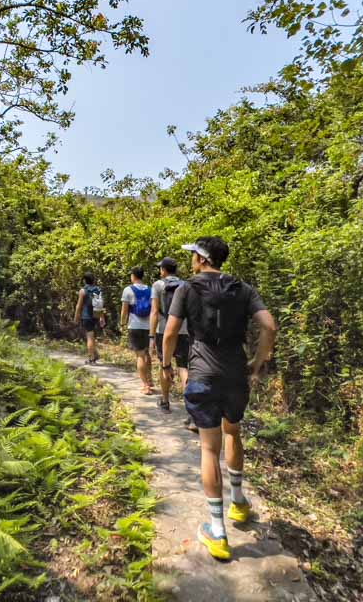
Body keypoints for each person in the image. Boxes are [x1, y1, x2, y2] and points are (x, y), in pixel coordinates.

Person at [162, 237, 277, 561]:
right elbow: (269, 326)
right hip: (236, 377)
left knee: (209, 448)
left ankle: (218, 531)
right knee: (233, 432)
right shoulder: (243, 289)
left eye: (193, 257)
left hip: (202, 376)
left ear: (200, 258)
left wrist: (167, 365)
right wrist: (257, 362)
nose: (191, 262)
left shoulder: (187, 289)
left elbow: (170, 333)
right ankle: (239, 502)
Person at [149, 257, 191, 423]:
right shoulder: (186, 285)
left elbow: (154, 311)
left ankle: (165, 401)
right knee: (183, 367)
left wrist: (151, 336)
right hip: (184, 330)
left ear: (164, 270)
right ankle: (190, 410)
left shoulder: (158, 285)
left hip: (163, 331)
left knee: (164, 364)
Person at [120, 266, 154, 394]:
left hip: (134, 326)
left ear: (133, 276)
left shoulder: (128, 290)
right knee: (146, 353)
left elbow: (124, 310)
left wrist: (122, 323)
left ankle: (145, 386)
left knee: (140, 355)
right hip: (149, 326)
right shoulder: (150, 290)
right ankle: (150, 380)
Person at [74, 272, 105, 364]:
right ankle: (94, 355)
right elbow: (100, 305)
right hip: (95, 315)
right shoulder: (98, 290)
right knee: (92, 336)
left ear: (84, 280)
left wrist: (76, 317)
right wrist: (101, 317)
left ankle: (91, 359)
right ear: (93, 280)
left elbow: (78, 306)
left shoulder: (83, 291)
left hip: (86, 316)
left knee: (90, 337)